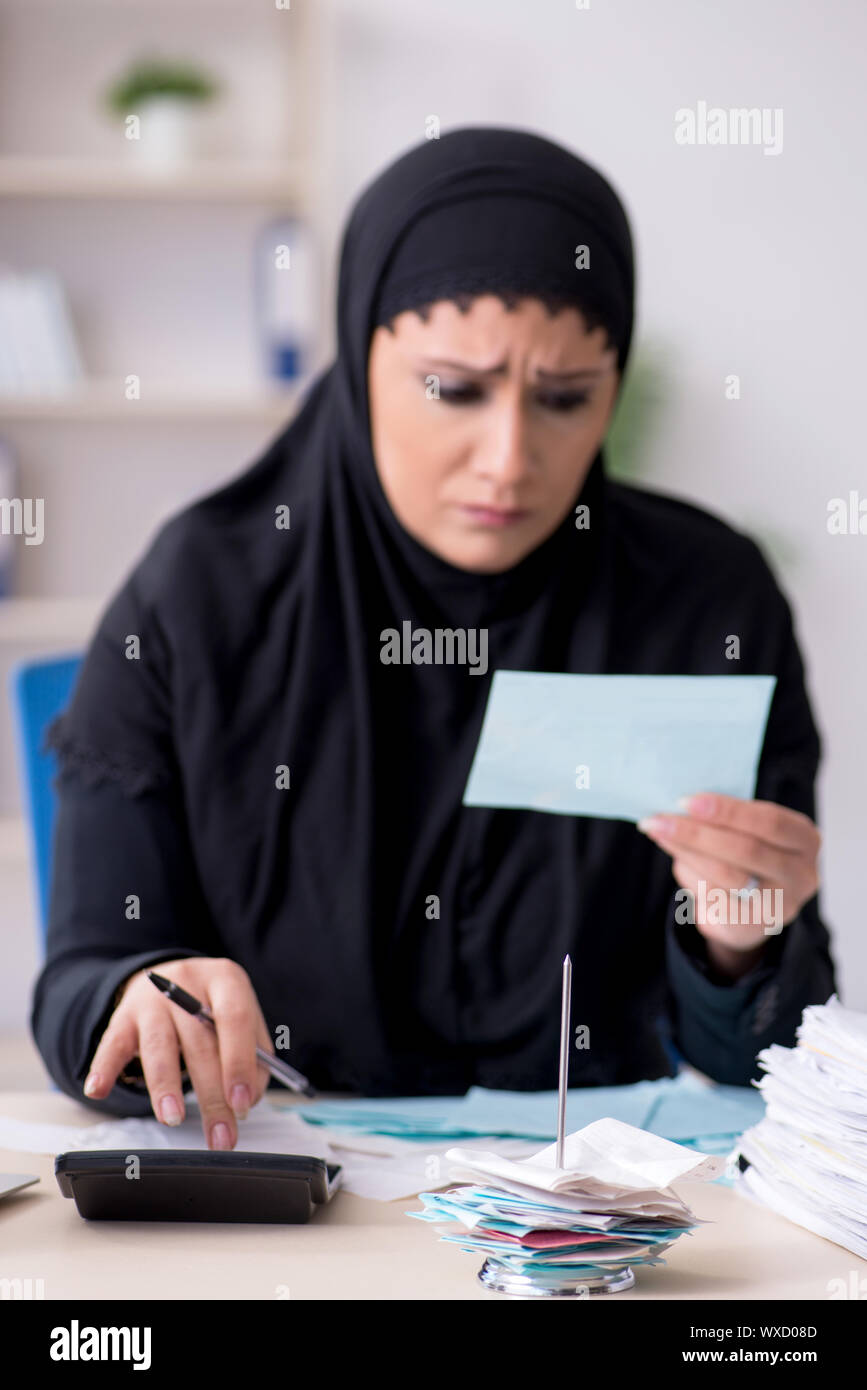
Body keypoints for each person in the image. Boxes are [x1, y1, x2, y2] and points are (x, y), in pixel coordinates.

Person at [31, 127, 834, 1151]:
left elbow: (767, 1062)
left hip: (594, 1233)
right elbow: (81, 983)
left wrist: (739, 942)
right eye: (454, 388)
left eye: (565, 398)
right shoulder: (201, 595)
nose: (509, 457)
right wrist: (140, 999)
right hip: (287, 1207)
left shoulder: (706, 605)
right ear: (360, 354)